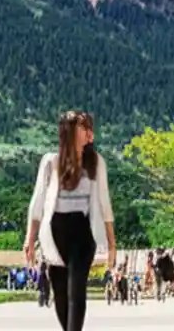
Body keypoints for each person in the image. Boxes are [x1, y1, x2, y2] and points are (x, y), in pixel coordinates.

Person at [24, 110, 116, 331]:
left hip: (83, 231)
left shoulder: (95, 162)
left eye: (89, 128)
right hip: (55, 232)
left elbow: (105, 204)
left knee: (77, 290)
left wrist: (112, 244)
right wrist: (30, 239)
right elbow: (37, 203)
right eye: (83, 128)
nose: (89, 133)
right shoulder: (51, 162)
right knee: (61, 293)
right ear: (70, 132)